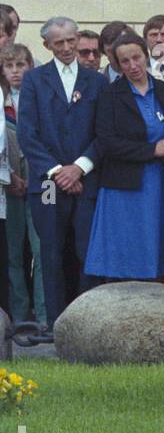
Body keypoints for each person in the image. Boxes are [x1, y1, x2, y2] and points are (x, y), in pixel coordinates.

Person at [18, 17, 107, 321]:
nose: (68, 48)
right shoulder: (34, 79)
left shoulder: (96, 80)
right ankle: (55, 324)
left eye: (71, 40)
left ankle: (84, 322)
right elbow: (27, 134)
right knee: (51, 251)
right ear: (47, 46)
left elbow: (103, 133)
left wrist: (79, 168)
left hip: (87, 180)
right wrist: (59, 172)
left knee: (85, 250)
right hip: (46, 185)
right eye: (60, 43)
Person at [83, 33, 164, 281]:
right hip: (124, 184)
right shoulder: (110, 94)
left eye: (136, 57)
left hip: (161, 180)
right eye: (124, 61)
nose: (132, 66)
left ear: (146, 56)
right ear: (117, 65)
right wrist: (152, 150)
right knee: (125, 249)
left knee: (157, 245)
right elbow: (107, 142)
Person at [1, 44, 44, 326]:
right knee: (13, 251)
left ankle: (44, 314)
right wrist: (9, 177)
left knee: (42, 248)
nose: (16, 72)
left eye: (21, 65)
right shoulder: (3, 101)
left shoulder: (40, 98)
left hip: (43, 183)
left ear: (31, 66)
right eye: (9, 66)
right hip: (9, 184)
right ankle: (18, 314)